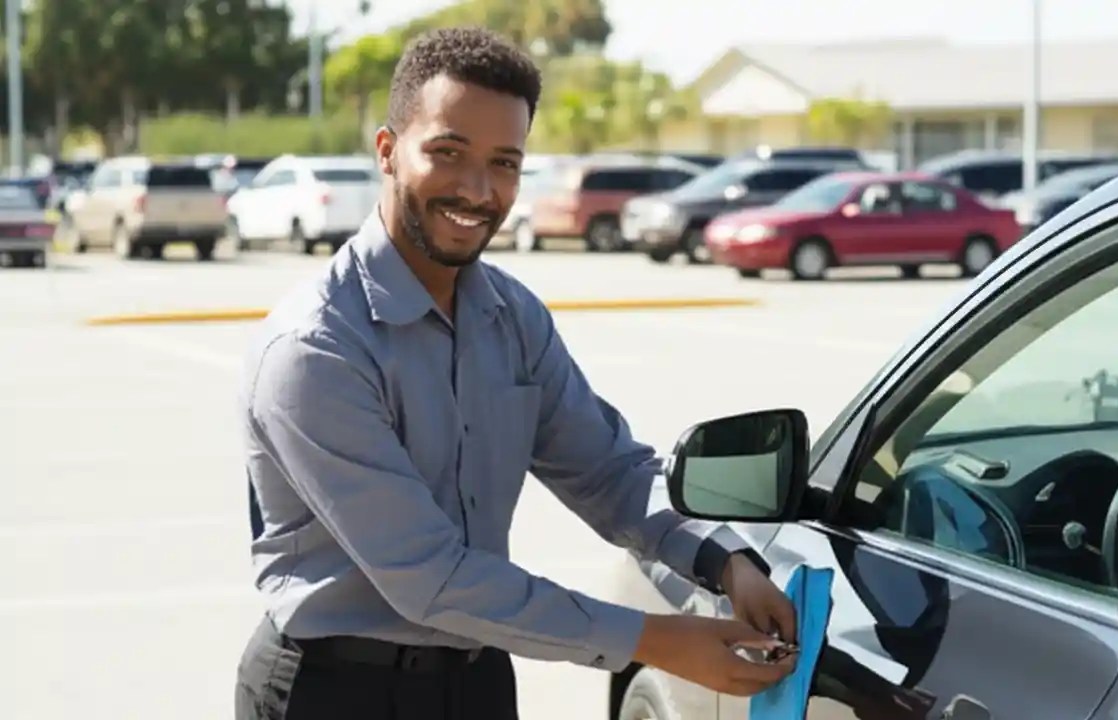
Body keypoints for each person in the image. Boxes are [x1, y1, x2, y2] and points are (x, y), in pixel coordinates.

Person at [234, 26, 798, 720]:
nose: (477, 190)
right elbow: (432, 579)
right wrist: (656, 640)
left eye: (504, 163)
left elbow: (610, 472)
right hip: (335, 691)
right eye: (447, 153)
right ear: (387, 150)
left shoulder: (511, 317)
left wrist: (724, 562)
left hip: (476, 680)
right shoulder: (316, 348)